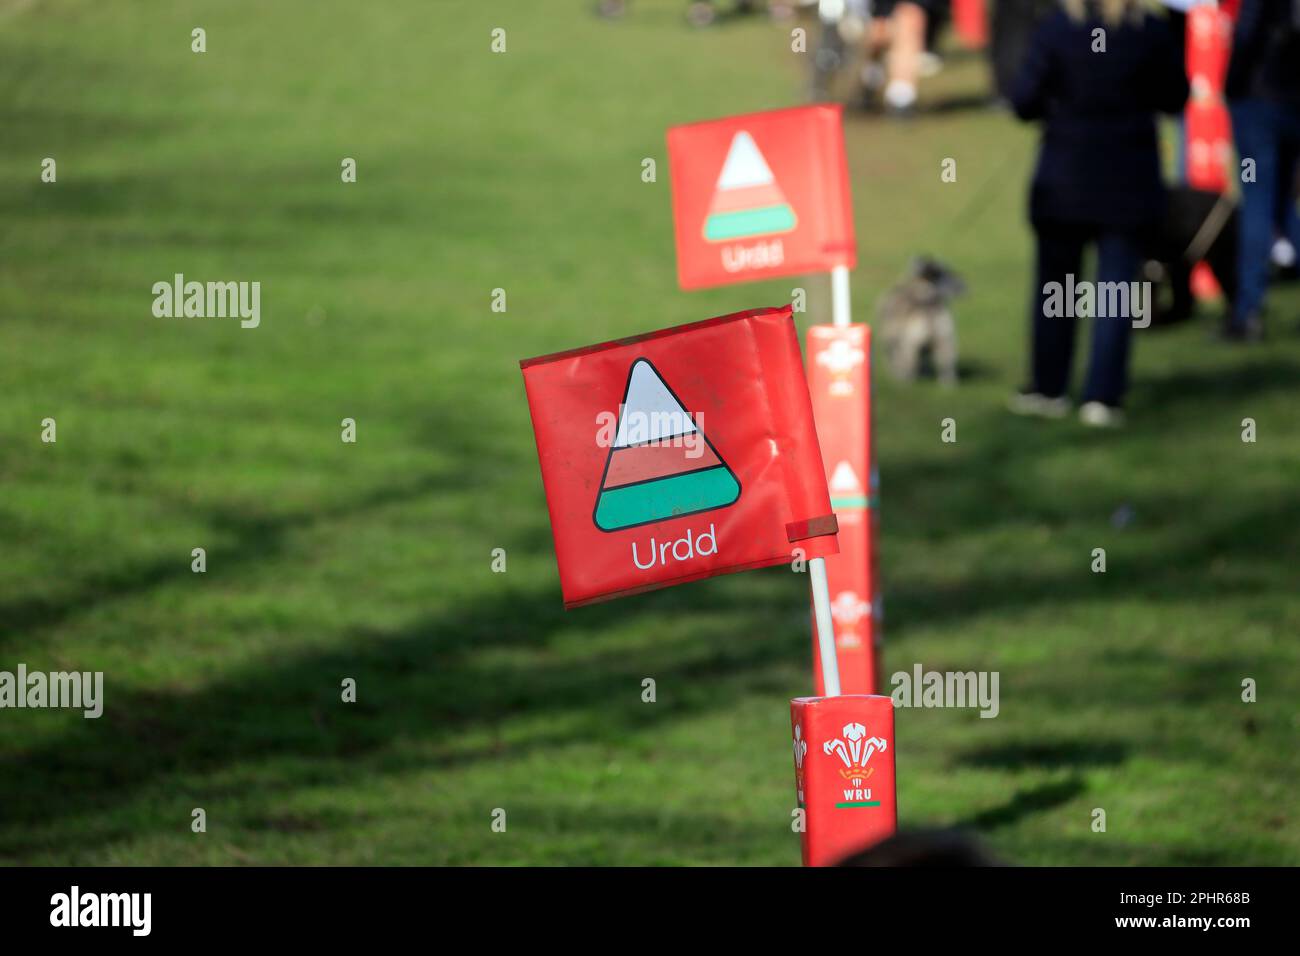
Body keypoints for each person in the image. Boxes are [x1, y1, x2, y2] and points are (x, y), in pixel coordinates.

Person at [1008, 0, 1188, 427]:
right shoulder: (1148, 31)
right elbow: (1174, 96)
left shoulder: (1057, 27)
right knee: (1115, 293)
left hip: (1065, 177)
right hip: (1127, 177)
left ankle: (1049, 388)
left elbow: (1022, 99)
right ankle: (1102, 397)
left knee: (1057, 288)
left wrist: (1057, 103)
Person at [1224, 0, 1300, 339]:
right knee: (1282, 205)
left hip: (1258, 107)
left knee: (1256, 202)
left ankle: (1248, 310)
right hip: (1291, 105)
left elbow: (1247, 38)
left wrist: (1231, 86)